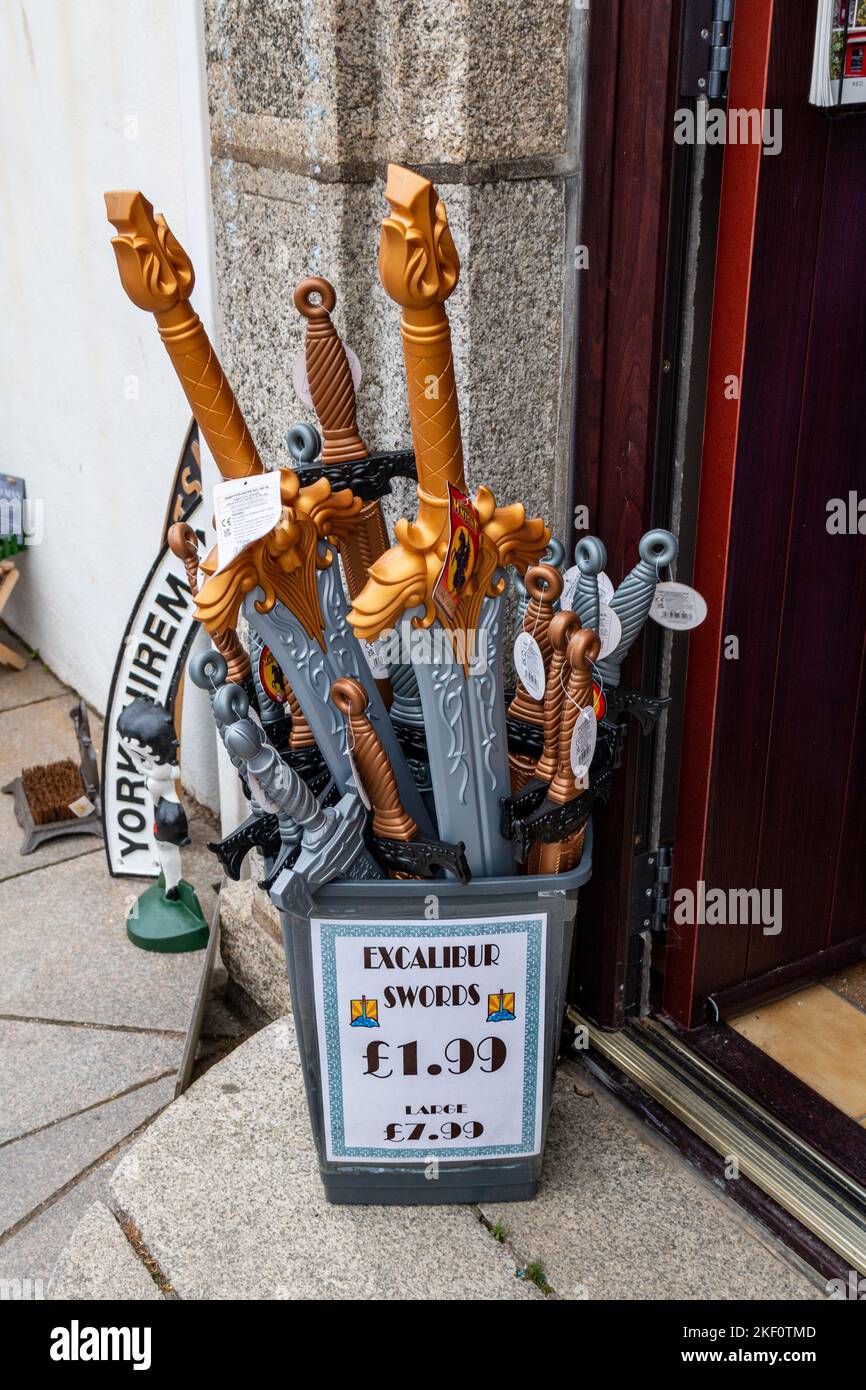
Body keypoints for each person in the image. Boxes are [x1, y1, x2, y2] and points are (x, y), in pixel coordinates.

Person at [116, 696, 189, 900]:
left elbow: (163, 777)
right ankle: (170, 881)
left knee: (166, 848)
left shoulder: (162, 774)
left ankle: (174, 886)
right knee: (163, 848)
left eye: (144, 761)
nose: (139, 766)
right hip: (163, 812)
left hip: (169, 815)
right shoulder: (157, 773)